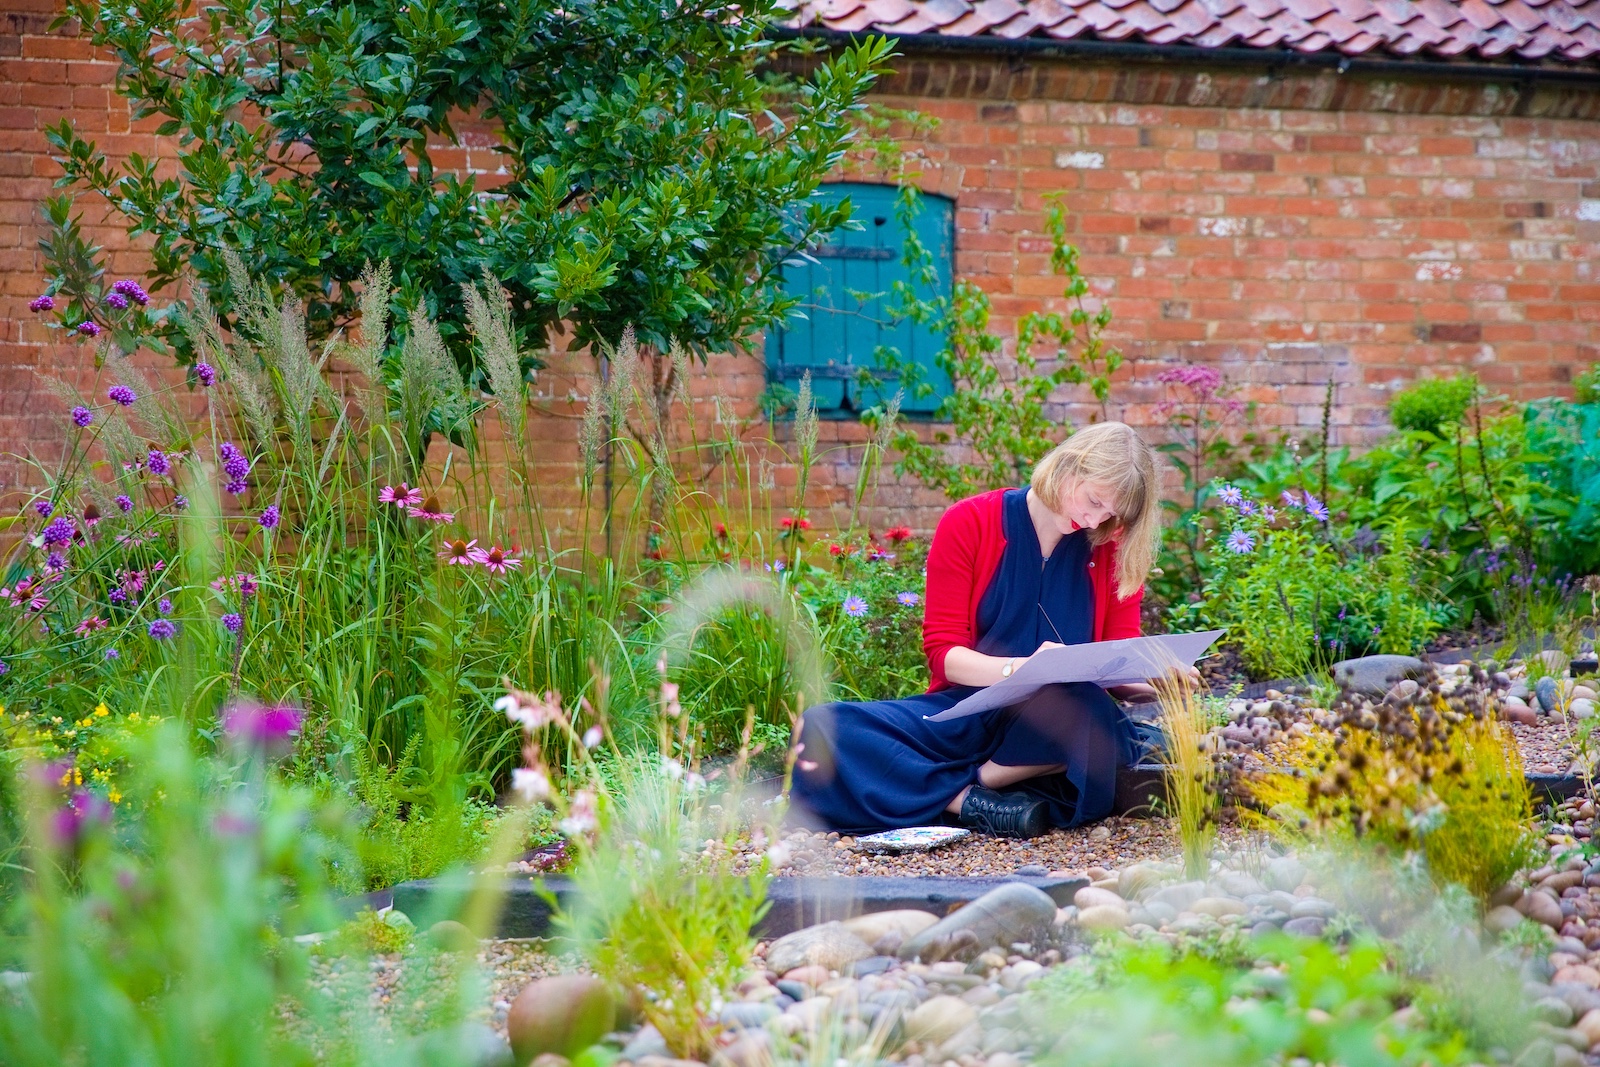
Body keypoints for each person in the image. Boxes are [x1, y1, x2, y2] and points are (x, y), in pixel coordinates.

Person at [789, 421, 1167, 839]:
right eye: (1094, 500)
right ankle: (966, 801)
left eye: (1109, 514)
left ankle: (978, 787)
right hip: (965, 713)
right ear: (1068, 465)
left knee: (1090, 709)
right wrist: (1021, 668)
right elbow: (943, 652)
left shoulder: (1109, 548)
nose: (1094, 519)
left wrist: (1157, 677)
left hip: (1050, 723)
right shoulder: (970, 521)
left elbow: (1113, 666)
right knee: (822, 726)